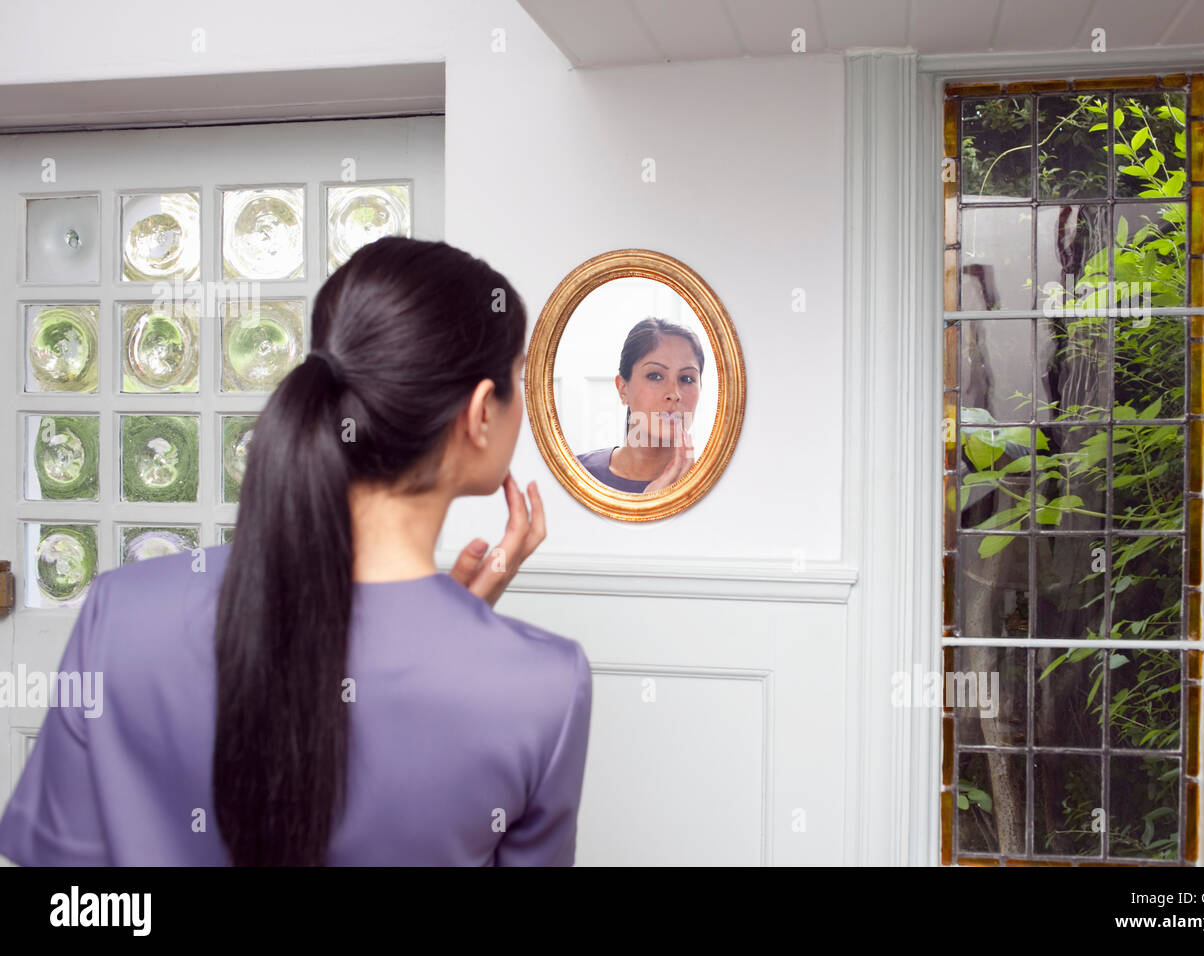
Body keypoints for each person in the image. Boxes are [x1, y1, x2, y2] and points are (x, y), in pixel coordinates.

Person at [0, 237, 592, 866]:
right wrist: (458, 635)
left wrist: (453, 624)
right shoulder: (542, 688)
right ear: (480, 412)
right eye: (519, 379)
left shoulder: (120, 614)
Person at [576, 317, 702, 494]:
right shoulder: (577, 474)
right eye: (655, 376)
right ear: (623, 389)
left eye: (687, 379)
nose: (674, 394)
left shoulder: (714, 485)